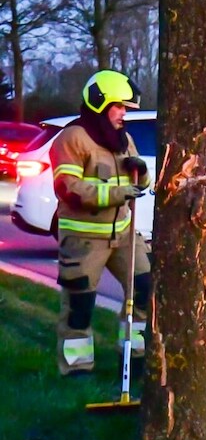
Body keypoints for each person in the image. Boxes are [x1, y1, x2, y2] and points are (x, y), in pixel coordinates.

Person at [52, 69, 151, 377]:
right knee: (79, 308)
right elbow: (68, 188)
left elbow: (140, 182)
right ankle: (77, 369)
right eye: (118, 106)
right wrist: (119, 192)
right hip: (83, 240)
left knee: (145, 289)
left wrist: (142, 171)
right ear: (99, 103)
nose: (124, 114)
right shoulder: (72, 138)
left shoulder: (124, 139)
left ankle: (132, 356)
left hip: (123, 234)